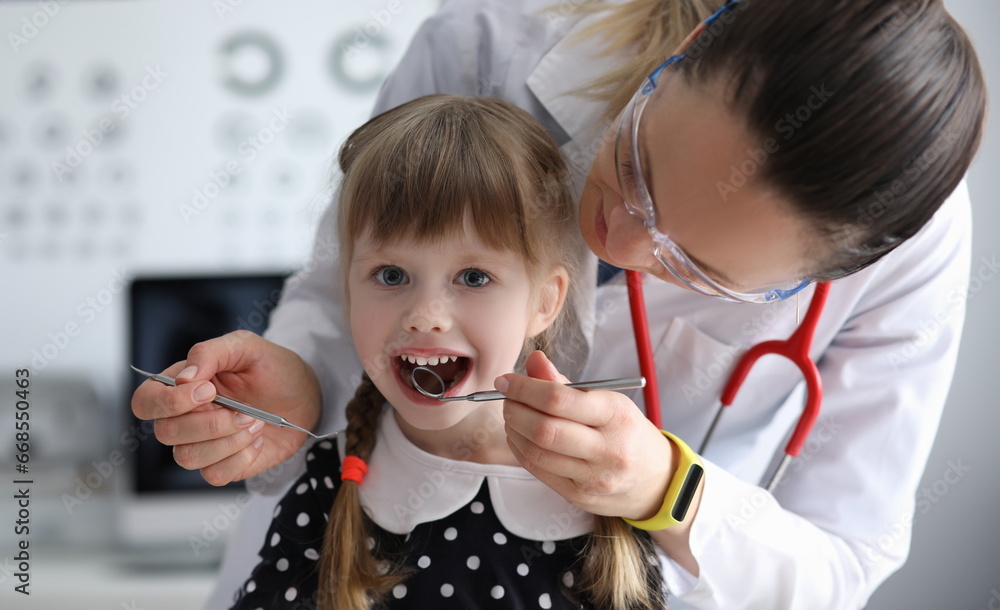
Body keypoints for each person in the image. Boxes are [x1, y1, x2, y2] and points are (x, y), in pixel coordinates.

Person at [132, 0, 987, 608]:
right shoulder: (486, 48)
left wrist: (670, 490)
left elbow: (842, 561)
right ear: (688, 46)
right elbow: (342, 278)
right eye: (637, 167)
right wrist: (301, 386)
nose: (622, 244)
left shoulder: (910, 248)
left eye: (696, 266)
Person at [229, 94, 666, 609]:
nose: (425, 314)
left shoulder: (602, 491)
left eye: (474, 277)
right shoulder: (330, 483)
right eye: (391, 275)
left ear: (545, 301)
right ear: (347, 290)